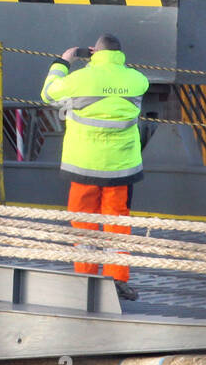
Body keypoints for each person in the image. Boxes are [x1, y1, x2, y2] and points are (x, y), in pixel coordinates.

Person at [39, 33, 149, 300]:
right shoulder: (137, 80)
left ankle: (86, 278)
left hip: (84, 165)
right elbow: (114, 82)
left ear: (94, 53)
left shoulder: (79, 79)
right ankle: (117, 280)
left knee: (84, 222)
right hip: (120, 167)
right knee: (117, 223)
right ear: (119, 55)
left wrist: (63, 61)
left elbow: (48, 94)